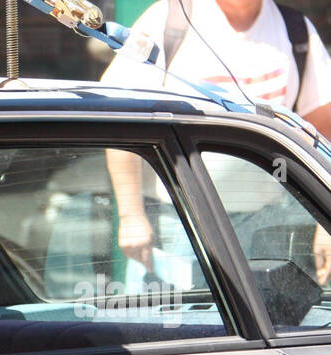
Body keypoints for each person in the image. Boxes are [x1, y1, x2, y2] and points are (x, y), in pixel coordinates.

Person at [103, 0, 331, 282]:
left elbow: (323, 129)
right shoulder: (169, 19)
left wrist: (324, 221)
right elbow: (121, 114)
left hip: (270, 222)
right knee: (178, 323)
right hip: (181, 222)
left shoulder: (295, 29)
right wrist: (131, 216)